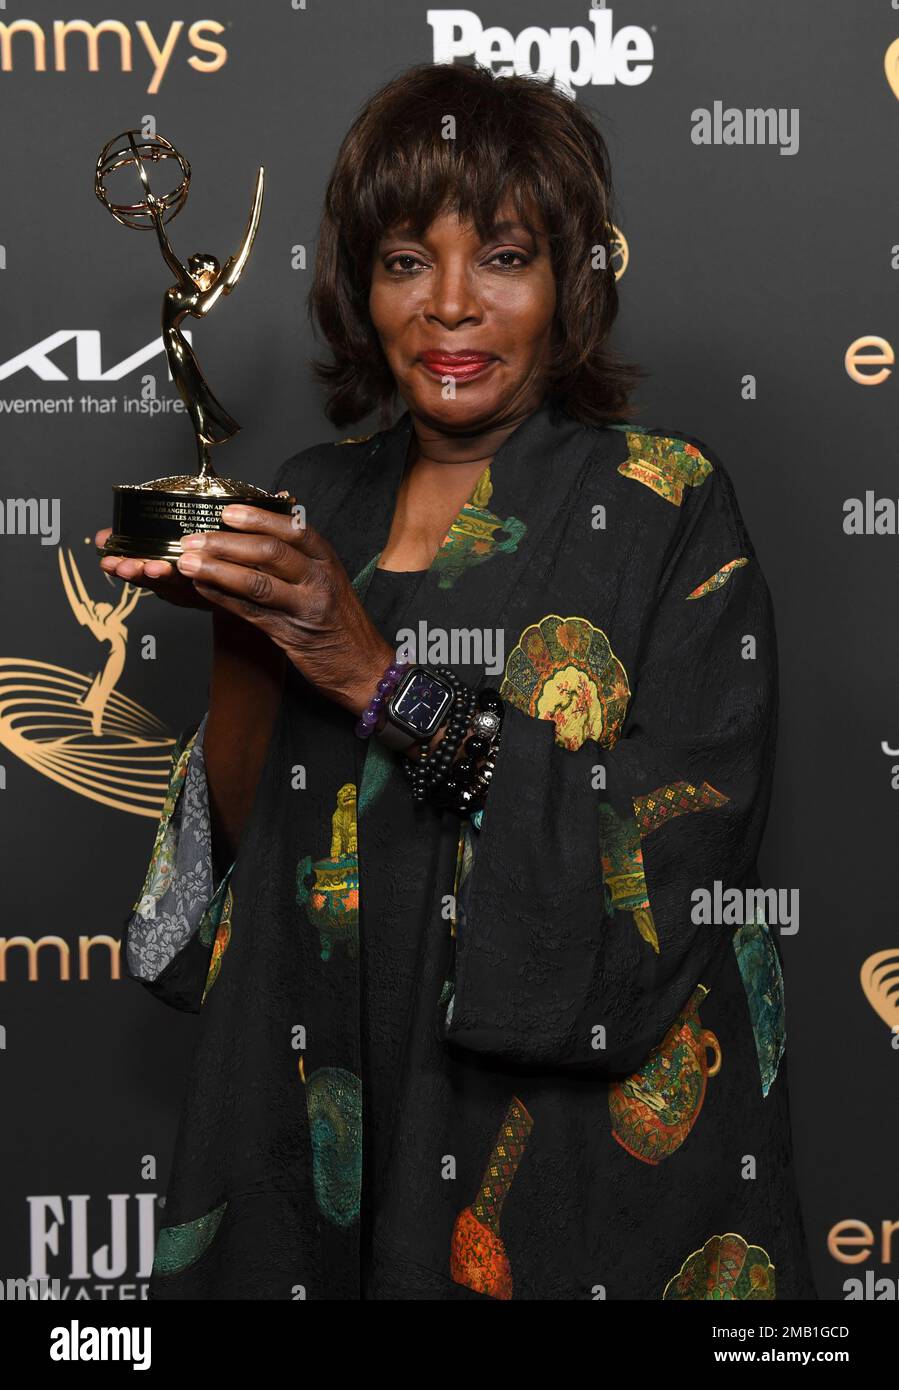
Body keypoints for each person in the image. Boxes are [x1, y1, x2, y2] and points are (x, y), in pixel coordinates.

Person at [97, 62, 816, 1301]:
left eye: (501, 256)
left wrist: (380, 679)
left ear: (570, 281)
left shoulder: (664, 505)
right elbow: (204, 921)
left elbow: (666, 877)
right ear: (355, 288)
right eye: (400, 261)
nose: (447, 306)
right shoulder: (315, 500)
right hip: (330, 1122)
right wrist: (235, 639)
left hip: (563, 1180)